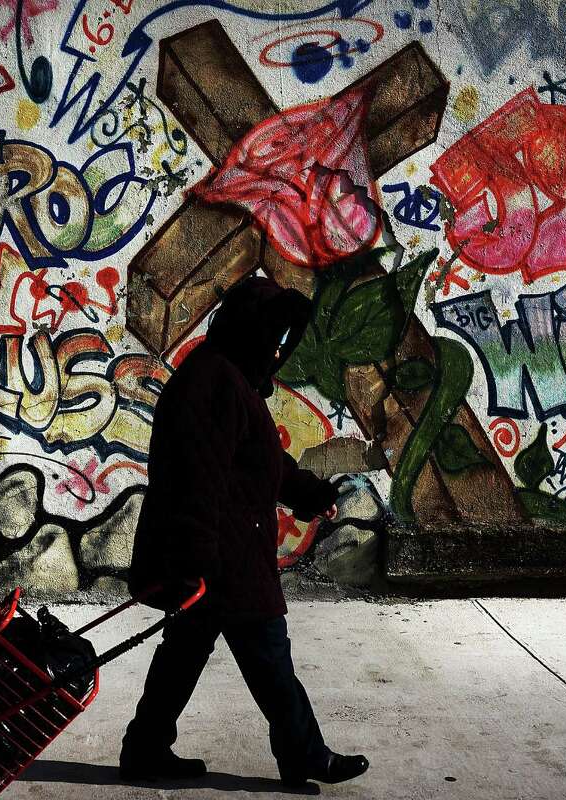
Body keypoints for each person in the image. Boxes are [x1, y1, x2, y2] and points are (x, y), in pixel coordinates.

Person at [120, 276, 370, 787]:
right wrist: (192, 567)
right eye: (271, 332)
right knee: (269, 658)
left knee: (184, 655)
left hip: (216, 558)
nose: (277, 346)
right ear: (248, 329)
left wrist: (307, 493)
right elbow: (198, 480)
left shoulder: (226, 378)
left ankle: (145, 749)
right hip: (222, 562)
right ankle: (306, 756)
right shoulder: (213, 384)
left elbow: (262, 463)